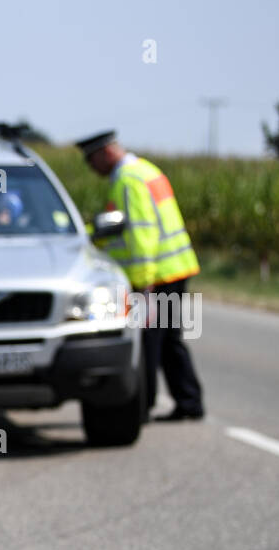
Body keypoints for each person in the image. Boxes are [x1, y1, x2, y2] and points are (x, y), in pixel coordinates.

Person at [78, 130, 205, 420]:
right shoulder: (144, 170)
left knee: (147, 342)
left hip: (155, 275)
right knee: (170, 340)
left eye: (91, 160)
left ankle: (141, 406)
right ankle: (189, 402)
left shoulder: (127, 180)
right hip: (174, 269)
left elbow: (141, 231)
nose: (91, 167)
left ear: (106, 153)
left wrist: (143, 279)